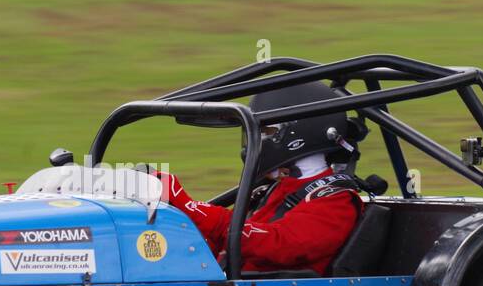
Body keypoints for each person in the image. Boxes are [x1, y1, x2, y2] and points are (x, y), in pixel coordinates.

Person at [157, 82, 367, 275]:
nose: (256, 141)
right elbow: (226, 245)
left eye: (266, 131)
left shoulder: (336, 201)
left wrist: (189, 206)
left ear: (301, 134)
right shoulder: (273, 189)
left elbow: (278, 245)